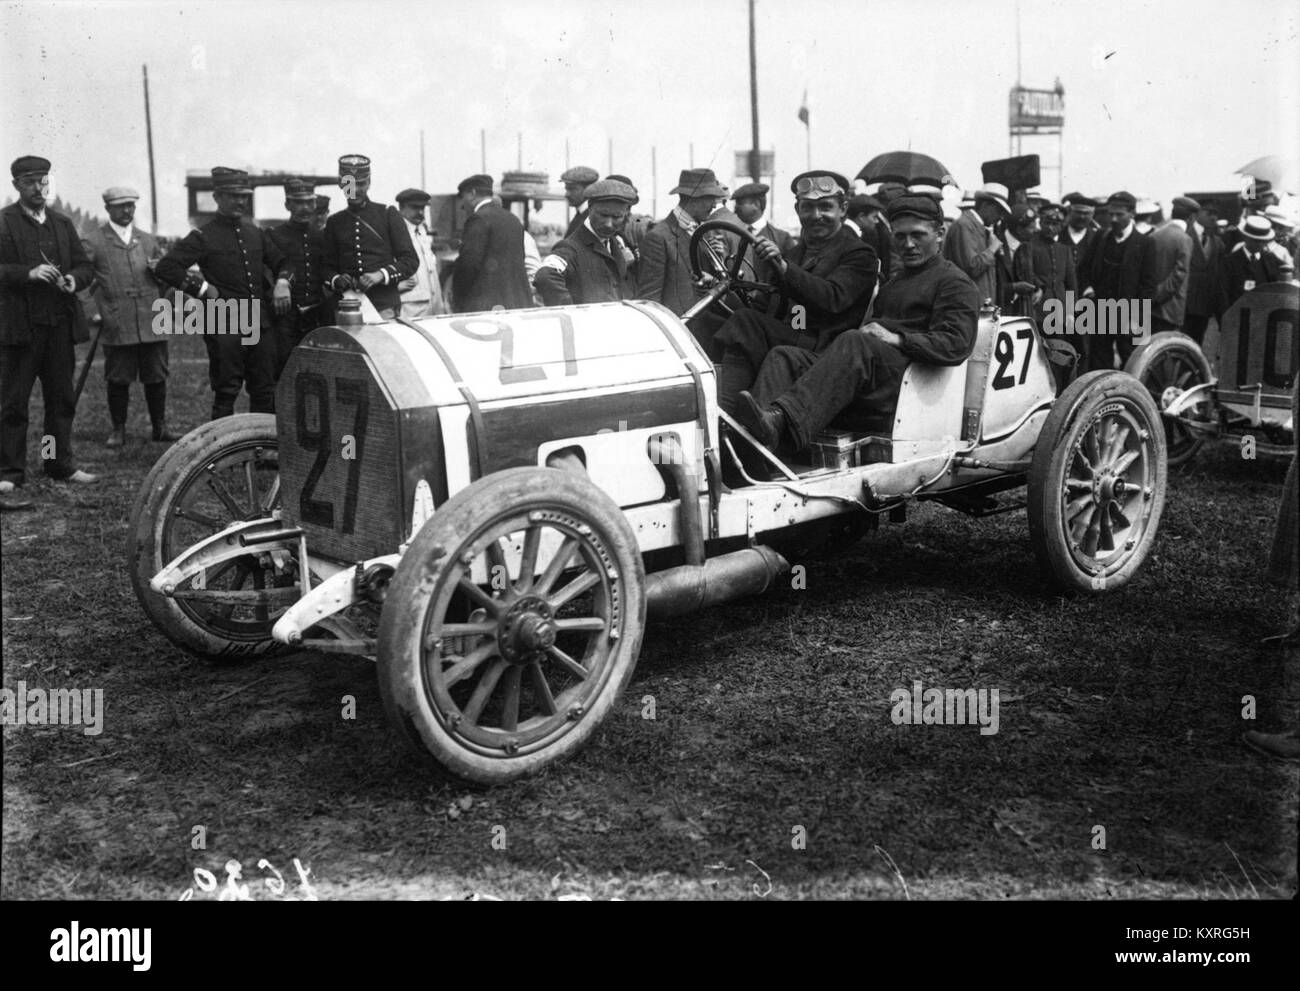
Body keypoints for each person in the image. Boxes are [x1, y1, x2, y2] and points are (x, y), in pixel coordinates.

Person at [732, 193, 978, 452]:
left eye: (918, 235)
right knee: (784, 356)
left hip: (910, 383)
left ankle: (778, 420)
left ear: (939, 234)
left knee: (854, 340)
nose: (908, 244)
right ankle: (750, 446)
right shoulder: (894, 282)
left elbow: (957, 344)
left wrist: (897, 339)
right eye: (900, 236)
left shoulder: (952, 281)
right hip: (870, 369)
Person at [712, 169, 879, 419]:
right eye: (807, 208)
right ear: (798, 209)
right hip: (797, 333)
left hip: (828, 349)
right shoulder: (794, 254)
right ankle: (722, 417)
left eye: (825, 207)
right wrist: (718, 287)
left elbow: (832, 299)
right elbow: (769, 306)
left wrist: (784, 269)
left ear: (843, 209)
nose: (816, 216)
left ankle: (726, 417)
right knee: (727, 320)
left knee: (746, 323)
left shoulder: (858, 254)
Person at [154, 166, 293, 419]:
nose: (240, 201)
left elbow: (283, 262)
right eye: (233, 195)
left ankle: (263, 456)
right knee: (227, 391)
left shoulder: (255, 233)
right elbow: (166, 267)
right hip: (224, 322)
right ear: (217, 197)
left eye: (243, 195)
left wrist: (283, 282)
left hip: (259, 324)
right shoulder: (203, 236)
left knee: (264, 391)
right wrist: (202, 288)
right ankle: (221, 454)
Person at [0, 154, 98, 501]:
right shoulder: (4, 222)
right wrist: (26, 273)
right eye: (31, 183)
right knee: (14, 403)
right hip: (20, 331)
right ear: (17, 186)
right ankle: (11, 471)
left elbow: (85, 266)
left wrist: (73, 279)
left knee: (60, 399)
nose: (39, 188)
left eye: (43, 182)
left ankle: (56, 462)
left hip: (58, 328)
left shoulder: (61, 223)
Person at [80, 185, 178, 446]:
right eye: (121, 206)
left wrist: (162, 278)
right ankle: (118, 429)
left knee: (156, 375)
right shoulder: (94, 241)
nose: (127, 210)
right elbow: (80, 283)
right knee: (118, 377)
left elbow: (167, 282)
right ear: (108, 208)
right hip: (117, 319)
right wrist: (94, 313)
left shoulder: (147, 240)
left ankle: (159, 427)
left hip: (151, 319)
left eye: (131, 205)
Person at [321, 154, 418, 320]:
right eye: (349, 183)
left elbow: (410, 260)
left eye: (361, 183)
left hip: (383, 305)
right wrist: (336, 279)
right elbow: (325, 267)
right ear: (341, 184)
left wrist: (380, 275)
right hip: (347, 307)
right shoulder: (334, 222)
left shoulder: (387, 214)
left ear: (369, 183)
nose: (355, 190)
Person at [1077, 190, 1156, 370]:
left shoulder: (1145, 243)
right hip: (1101, 312)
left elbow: (1149, 286)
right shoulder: (1101, 237)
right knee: (1099, 361)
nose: (1113, 219)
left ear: (1132, 214)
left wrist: (1136, 318)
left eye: (1119, 215)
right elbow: (1084, 269)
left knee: (1135, 363)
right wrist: (1087, 288)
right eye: (1110, 214)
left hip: (1131, 315)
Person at [637, 167, 730, 319]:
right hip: (680, 332)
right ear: (694, 198)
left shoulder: (702, 232)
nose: (714, 205)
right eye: (711, 198)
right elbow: (649, 300)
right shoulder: (658, 237)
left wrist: (717, 260)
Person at [535, 178, 639, 306]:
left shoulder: (615, 243)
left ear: (626, 213)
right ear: (589, 208)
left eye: (617, 217)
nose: (609, 224)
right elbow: (545, 276)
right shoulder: (571, 248)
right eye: (603, 215)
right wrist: (572, 312)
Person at [265, 178, 328, 380]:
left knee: (317, 370)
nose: (305, 208)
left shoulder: (321, 237)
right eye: (298, 202)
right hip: (285, 317)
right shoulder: (274, 235)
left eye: (310, 202)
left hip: (316, 316)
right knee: (284, 370)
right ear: (287, 205)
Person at [452, 174, 533, 313]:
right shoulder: (512, 219)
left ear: (472, 194)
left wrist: (459, 300)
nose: (462, 205)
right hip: (517, 302)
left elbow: (468, 265)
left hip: (488, 306)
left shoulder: (478, 219)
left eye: (463, 197)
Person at [941, 181, 1010, 305]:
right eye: (999, 211)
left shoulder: (980, 228)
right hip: (965, 304)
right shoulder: (964, 225)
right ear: (985, 205)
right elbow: (972, 267)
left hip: (978, 304)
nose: (1000, 217)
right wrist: (992, 249)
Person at [393, 187, 446, 319]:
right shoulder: (394, 233)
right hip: (411, 307)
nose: (420, 212)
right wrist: (393, 287)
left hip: (433, 306)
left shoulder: (422, 231)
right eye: (415, 208)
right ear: (402, 208)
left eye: (423, 208)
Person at [1220, 215, 1288, 307]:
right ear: (1245, 238)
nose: (1260, 244)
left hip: (1263, 315)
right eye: (1256, 240)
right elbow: (1222, 296)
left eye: (1263, 241)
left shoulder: (1271, 260)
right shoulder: (1229, 262)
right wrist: (1226, 319)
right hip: (1236, 316)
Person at [1149, 198, 1194, 334]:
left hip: (1149, 307)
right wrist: (1158, 297)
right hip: (1170, 308)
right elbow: (1178, 275)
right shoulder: (1184, 239)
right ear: (1191, 217)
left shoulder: (1154, 235)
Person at [1181, 196, 1221, 344]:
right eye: (1209, 212)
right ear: (1197, 214)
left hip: (1204, 304)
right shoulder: (1185, 236)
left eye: (1216, 213)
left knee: (1198, 344)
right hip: (1186, 304)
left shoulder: (1216, 242)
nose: (1214, 217)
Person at [999, 203, 1040, 318]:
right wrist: (1014, 288)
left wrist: (1039, 288)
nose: (1036, 230)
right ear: (1020, 229)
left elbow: (1030, 272)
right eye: (1032, 227)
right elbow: (992, 284)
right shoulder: (997, 246)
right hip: (1003, 313)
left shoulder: (1026, 246)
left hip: (1023, 313)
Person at [1058, 192, 1100, 276]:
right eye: (1078, 212)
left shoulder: (1098, 237)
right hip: (1066, 287)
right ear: (1069, 212)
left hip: (1088, 287)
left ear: (1092, 215)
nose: (1082, 217)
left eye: (1086, 213)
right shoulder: (1058, 235)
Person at [560, 166, 600, 239]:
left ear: (588, 189)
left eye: (572, 189)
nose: (566, 194)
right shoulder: (581, 214)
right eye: (566, 189)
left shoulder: (590, 218)